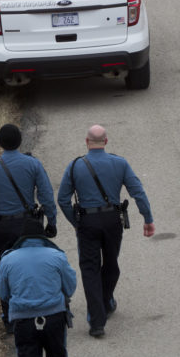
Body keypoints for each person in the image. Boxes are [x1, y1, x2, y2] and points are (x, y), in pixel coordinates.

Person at [57, 124, 155, 338]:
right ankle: (106, 301)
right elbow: (137, 190)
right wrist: (147, 218)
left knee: (90, 269)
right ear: (106, 142)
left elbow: (62, 199)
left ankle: (97, 321)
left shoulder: (75, 166)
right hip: (113, 220)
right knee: (111, 264)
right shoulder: (120, 163)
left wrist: (76, 221)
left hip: (87, 221)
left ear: (86, 142)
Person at [0, 124, 59, 330]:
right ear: (20, 141)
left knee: (4, 267)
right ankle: (35, 309)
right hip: (28, 224)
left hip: (3, 226)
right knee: (33, 264)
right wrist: (52, 221)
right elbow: (46, 195)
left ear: (0, 142)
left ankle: (9, 315)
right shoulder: (33, 164)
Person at [0, 235, 77, 357]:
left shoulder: (8, 259)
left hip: (23, 321)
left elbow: (3, 293)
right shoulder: (57, 256)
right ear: (43, 240)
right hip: (54, 318)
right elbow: (70, 288)